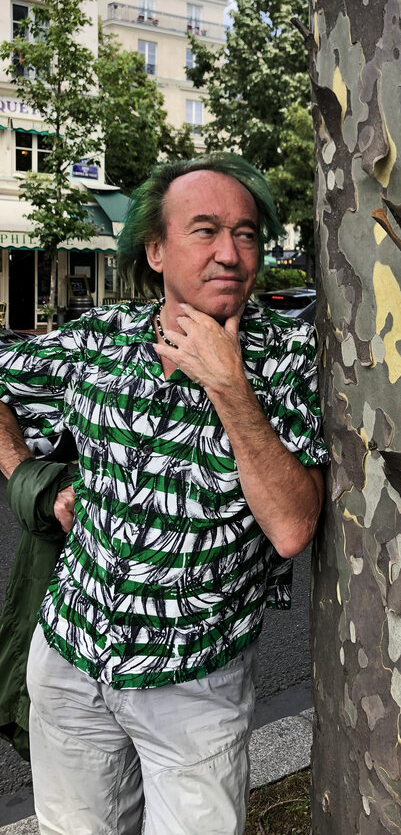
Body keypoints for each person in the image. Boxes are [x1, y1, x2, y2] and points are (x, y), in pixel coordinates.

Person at [0, 152, 328, 835]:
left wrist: (230, 387)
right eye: (205, 231)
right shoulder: (101, 340)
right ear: (156, 250)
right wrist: (29, 476)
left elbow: (293, 526)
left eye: (246, 234)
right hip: (70, 656)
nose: (231, 253)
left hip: (194, 683)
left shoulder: (290, 360)